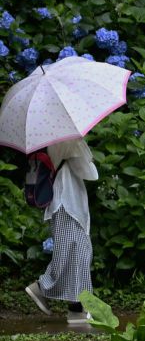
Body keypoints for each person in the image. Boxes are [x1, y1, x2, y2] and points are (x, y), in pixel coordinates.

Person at [23, 138, 98, 325]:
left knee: (77, 253)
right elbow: (89, 173)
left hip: (63, 200)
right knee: (76, 252)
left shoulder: (50, 138)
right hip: (67, 201)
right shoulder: (69, 139)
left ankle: (76, 309)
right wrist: (90, 159)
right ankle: (42, 288)